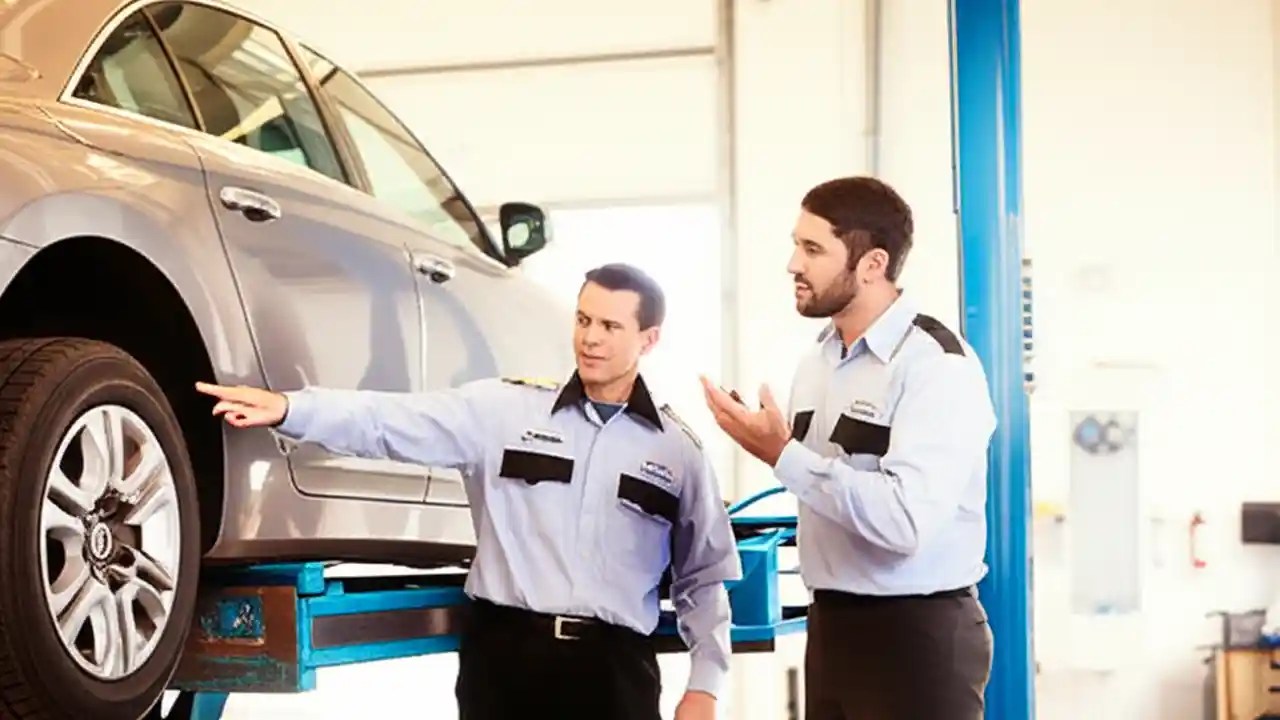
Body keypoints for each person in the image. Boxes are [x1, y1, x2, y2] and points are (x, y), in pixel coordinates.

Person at [197, 263, 742, 720]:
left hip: (615, 673)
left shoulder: (677, 452)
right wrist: (292, 408)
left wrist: (706, 683)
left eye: (609, 326)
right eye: (582, 320)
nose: (590, 338)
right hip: (505, 660)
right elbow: (390, 421)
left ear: (649, 339)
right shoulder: (504, 411)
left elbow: (705, 576)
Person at [700, 176, 996, 718]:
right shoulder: (818, 362)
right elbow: (826, 487)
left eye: (813, 249)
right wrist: (779, 449)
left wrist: (783, 455)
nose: (793, 263)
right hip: (834, 628)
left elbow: (906, 523)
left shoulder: (936, 367)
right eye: (796, 244)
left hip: (917, 640)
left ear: (872, 264)